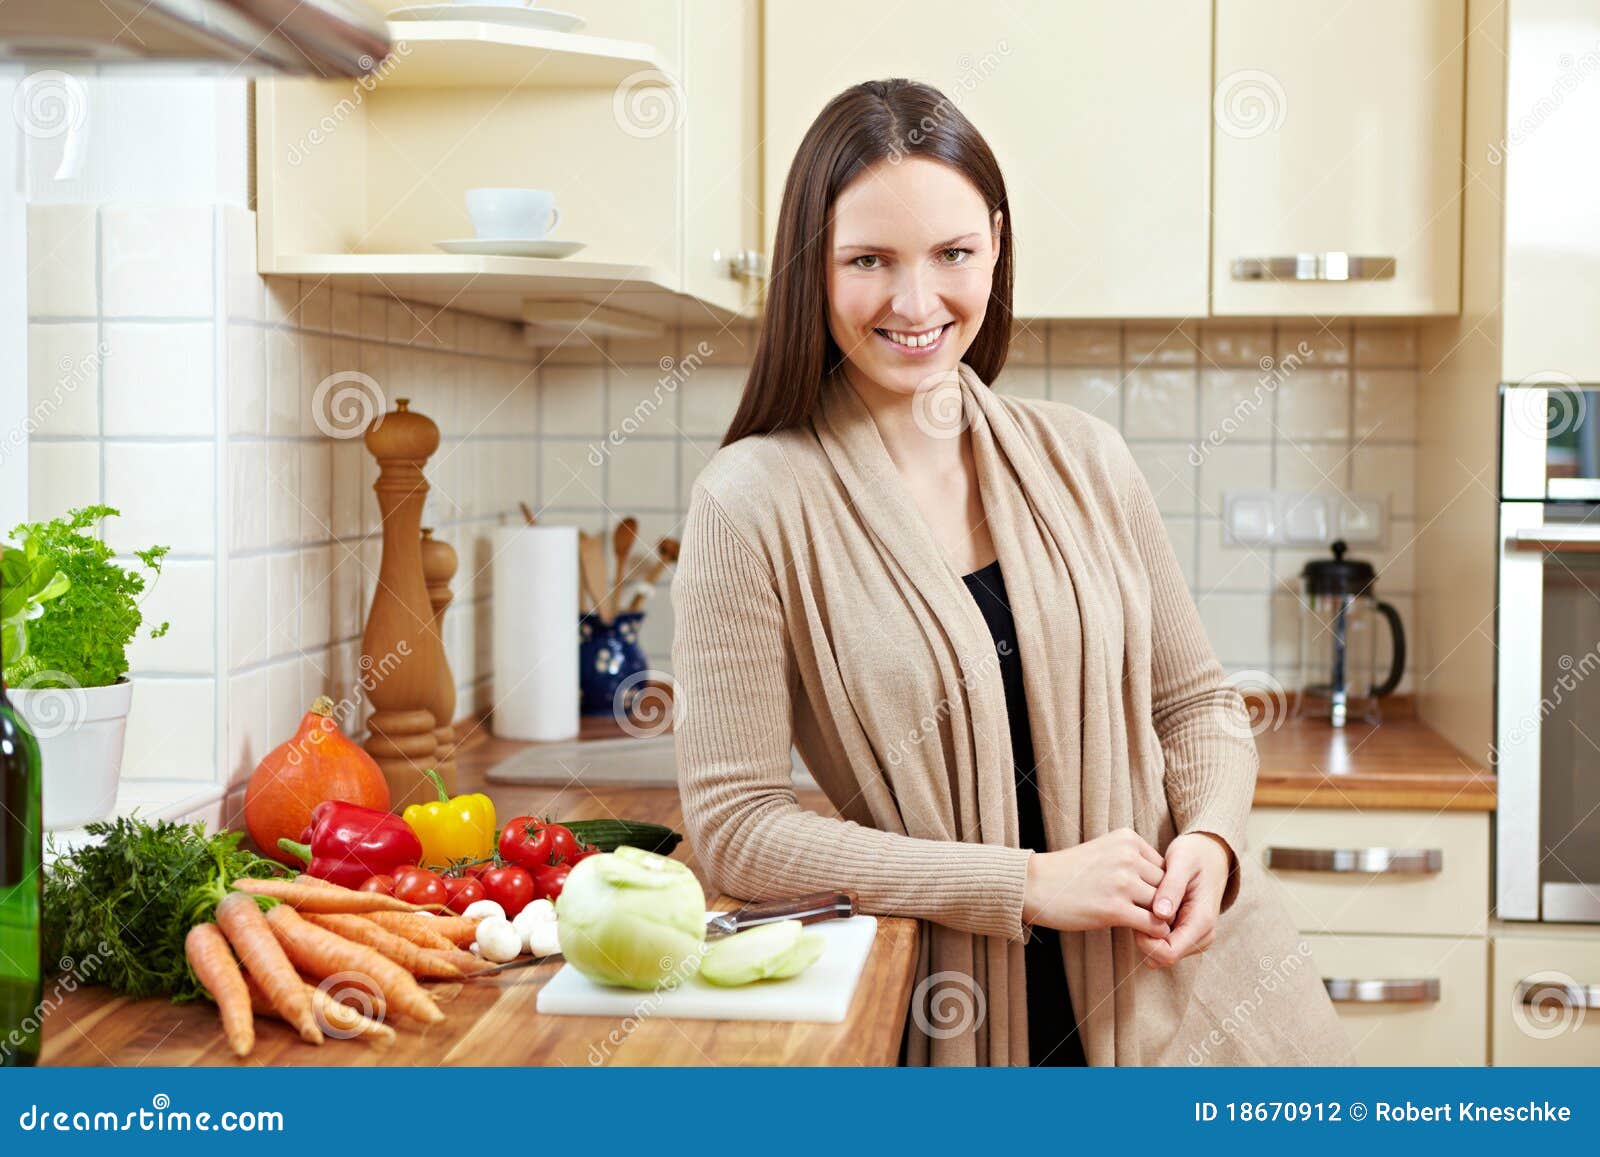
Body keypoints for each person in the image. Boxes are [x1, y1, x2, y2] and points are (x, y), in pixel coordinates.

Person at [671, 78, 1351, 1067]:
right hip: (951, 1002)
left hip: (1181, 992)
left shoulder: (1086, 455)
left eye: (952, 252)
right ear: (809, 268)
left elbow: (1195, 702)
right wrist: (1022, 882)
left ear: (994, 240)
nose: (916, 301)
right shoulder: (752, 499)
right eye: (869, 259)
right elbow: (736, 829)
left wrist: (1209, 840)